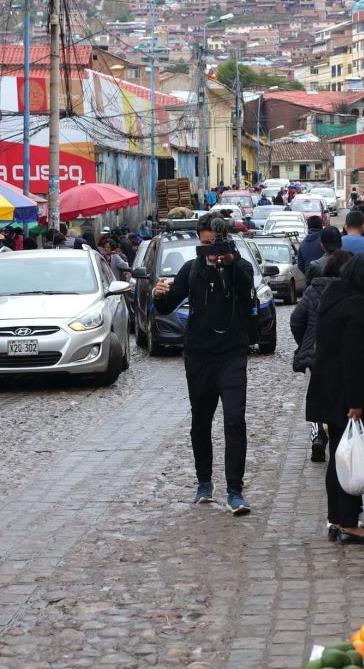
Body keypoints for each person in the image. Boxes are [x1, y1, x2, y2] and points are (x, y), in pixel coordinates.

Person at [153, 214, 257, 515]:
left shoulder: (240, 266)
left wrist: (229, 261)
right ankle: (204, 482)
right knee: (201, 421)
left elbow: (245, 287)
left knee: (235, 419)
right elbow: (167, 303)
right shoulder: (192, 268)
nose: (209, 249)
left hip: (232, 354)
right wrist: (158, 294)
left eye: (214, 243)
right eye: (205, 243)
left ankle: (235, 490)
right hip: (199, 355)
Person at [305, 253, 364, 544]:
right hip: (349, 395)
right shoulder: (357, 305)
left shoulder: (336, 296)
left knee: (339, 457)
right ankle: (349, 524)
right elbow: (353, 357)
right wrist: (356, 402)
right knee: (351, 457)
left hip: (331, 390)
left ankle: (338, 518)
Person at [291, 250, 354, 463]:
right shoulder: (351, 291)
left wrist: (305, 344)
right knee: (342, 396)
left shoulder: (312, 290)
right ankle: (343, 436)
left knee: (318, 397)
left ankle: (318, 435)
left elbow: (296, 319)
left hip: (317, 355)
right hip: (344, 355)